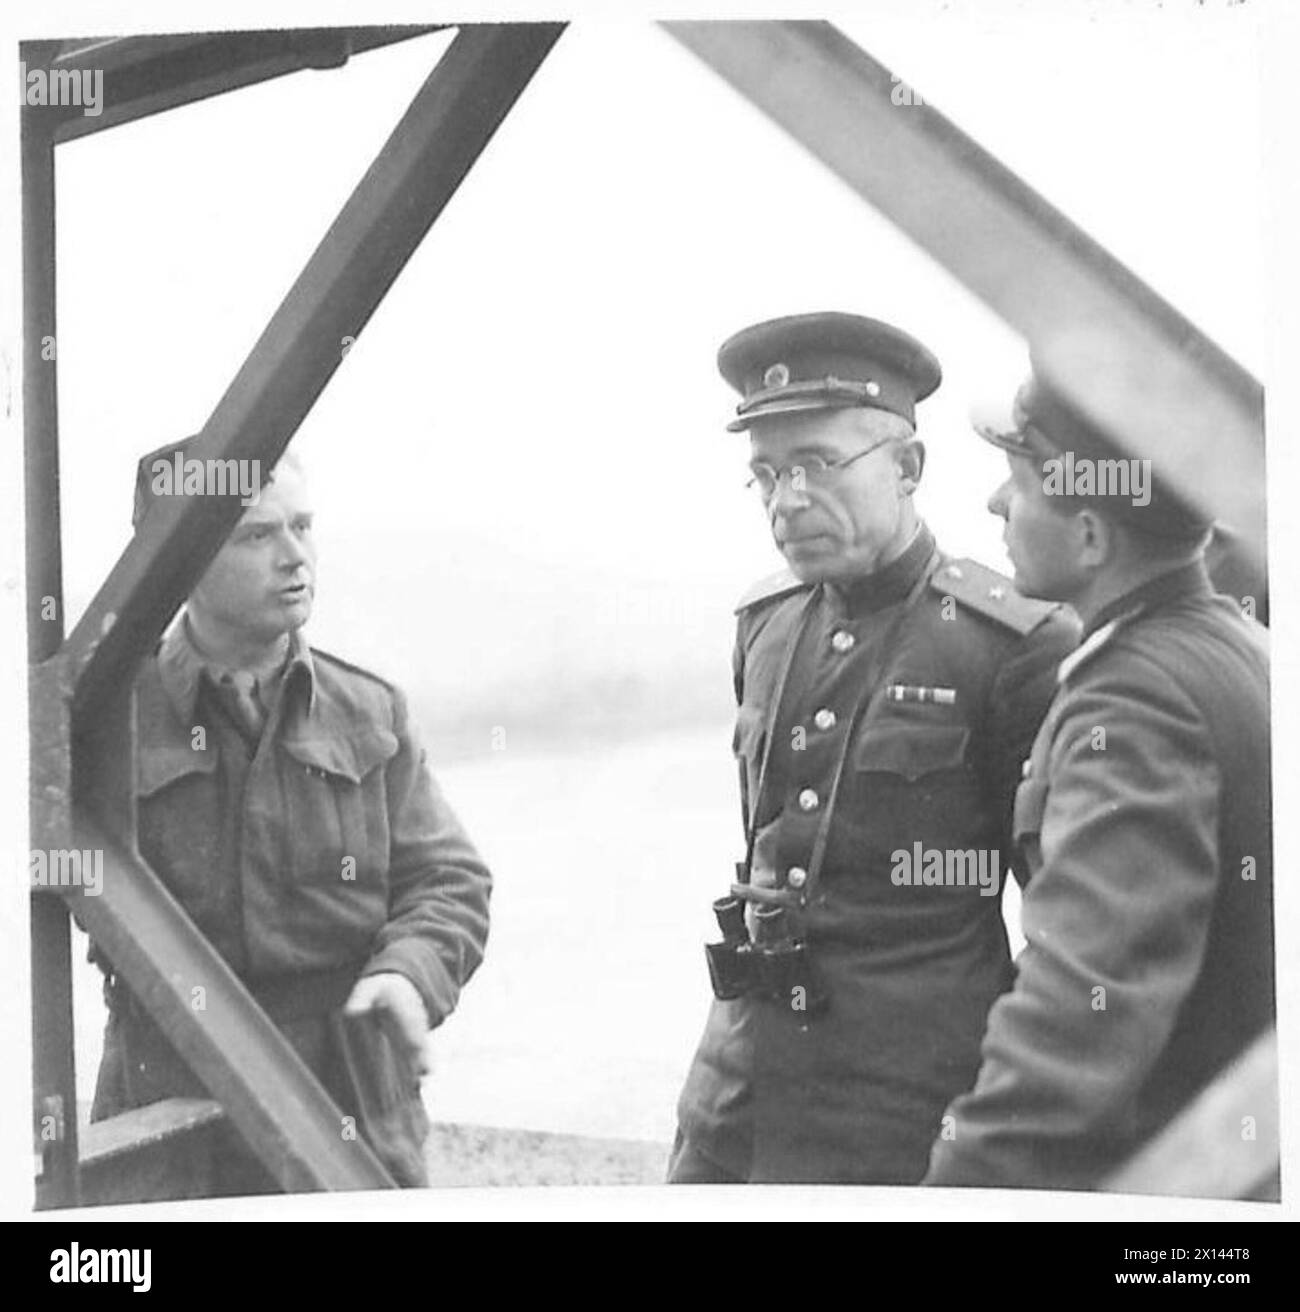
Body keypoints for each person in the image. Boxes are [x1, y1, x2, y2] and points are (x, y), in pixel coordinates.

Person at [669, 312, 1080, 1184]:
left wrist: (1000, 1129)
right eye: (766, 475)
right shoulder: (765, 626)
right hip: (732, 1108)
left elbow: (1066, 929)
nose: (786, 501)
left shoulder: (1014, 646)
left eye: (817, 464)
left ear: (907, 468)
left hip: (905, 1123)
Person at [89, 440, 492, 1196]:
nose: (294, 556)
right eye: (256, 535)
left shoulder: (367, 709)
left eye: (302, 527)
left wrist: (408, 975)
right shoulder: (103, 719)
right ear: (176, 563)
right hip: (169, 1109)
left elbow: (448, 881)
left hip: (347, 1100)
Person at [923, 353, 1274, 1193]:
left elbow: (1080, 1013)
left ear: (1089, 535)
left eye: (1019, 481)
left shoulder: (1136, 699)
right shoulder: (1233, 645)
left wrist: (961, 1194)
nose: (996, 502)